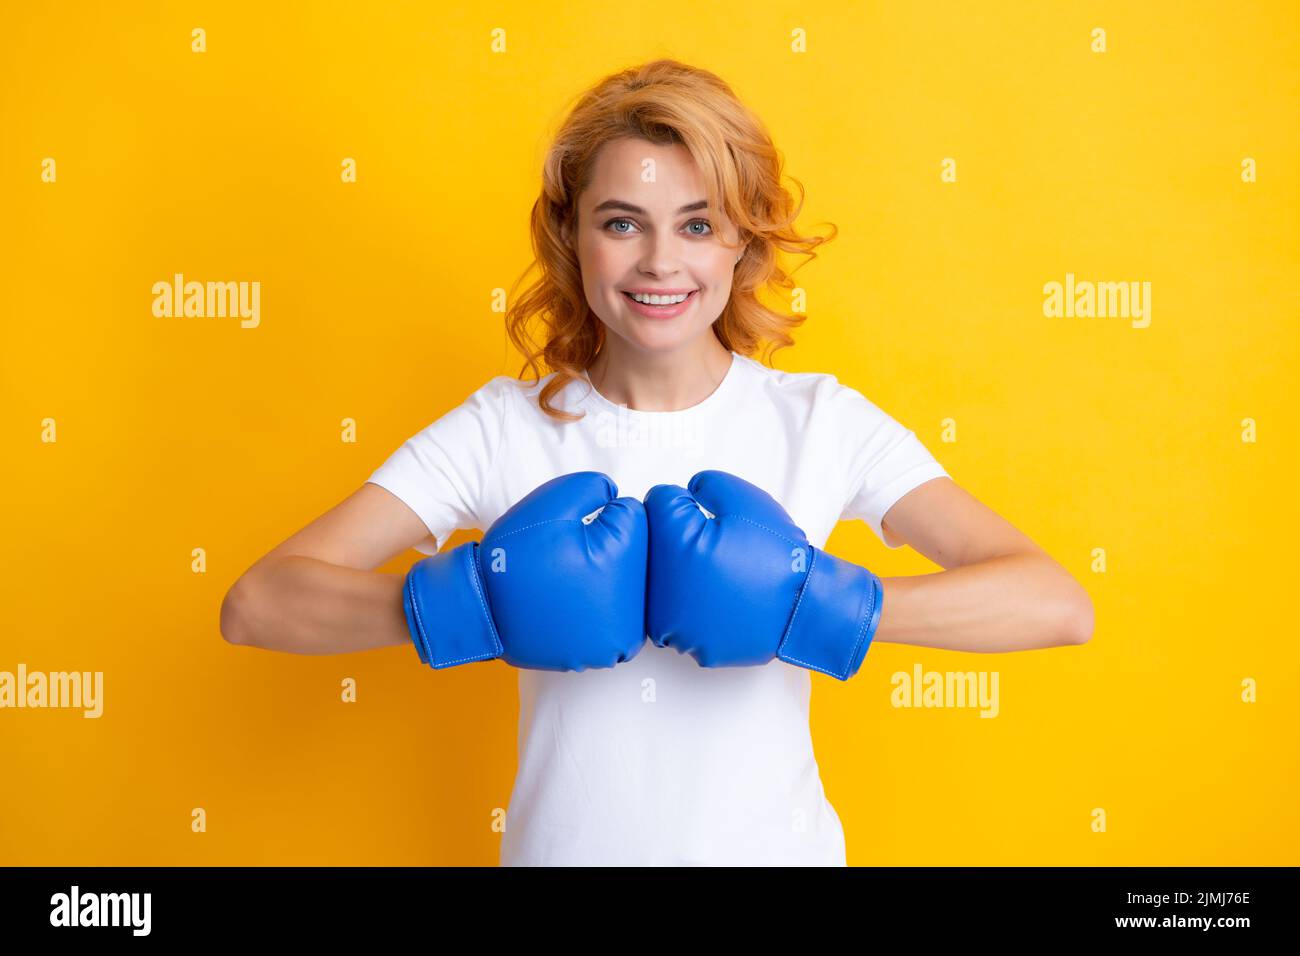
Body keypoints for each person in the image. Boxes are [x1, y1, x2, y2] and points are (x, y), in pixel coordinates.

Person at [219, 59, 1094, 866]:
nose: (661, 261)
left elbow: (1054, 603)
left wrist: (819, 602)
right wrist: (472, 602)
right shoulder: (501, 428)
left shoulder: (818, 422)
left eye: (698, 224)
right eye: (622, 222)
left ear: (742, 245)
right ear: (572, 236)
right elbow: (258, 605)